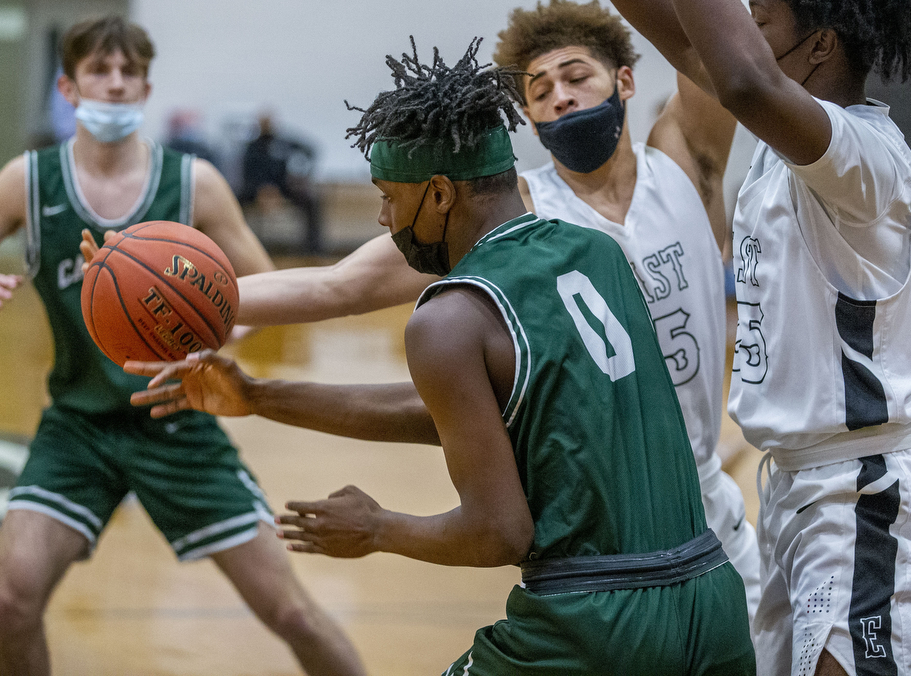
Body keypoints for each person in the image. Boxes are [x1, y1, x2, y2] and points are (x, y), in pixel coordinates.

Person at [456, 0, 911, 674]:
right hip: (797, 485)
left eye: (759, 23)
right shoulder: (784, 141)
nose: (736, 32)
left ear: (819, 46)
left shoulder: (863, 156)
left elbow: (735, 75)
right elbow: (700, 34)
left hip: (871, 485)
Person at [127, 38, 756, 674]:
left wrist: (377, 528)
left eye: (388, 196)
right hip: (713, 599)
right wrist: (260, 396)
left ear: (438, 195)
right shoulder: (598, 254)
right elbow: (481, 414)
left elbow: (499, 533)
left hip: (593, 622)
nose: (381, 217)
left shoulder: (449, 319)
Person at [228, 0, 764, 622]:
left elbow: (720, 14)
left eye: (576, 76)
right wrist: (203, 295)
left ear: (627, 82)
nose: (560, 95)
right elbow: (338, 283)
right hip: (606, 543)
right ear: (527, 119)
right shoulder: (515, 215)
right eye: (539, 91)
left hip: (713, 523)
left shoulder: (684, 161)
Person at [0, 16, 365, 676]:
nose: (114, 84)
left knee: (292, 612)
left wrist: (210, 342)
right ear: (68, 85)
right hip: (77, 427)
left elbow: (262, 286)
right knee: (7, 598)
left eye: (127, 73)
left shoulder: (193, 183)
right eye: (99, 71)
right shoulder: (27, 179)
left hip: (179, 427)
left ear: (145, 87)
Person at [239, 110, 323, 254]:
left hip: (283, 187)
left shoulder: (283, 143)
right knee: (233, 201)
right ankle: (241, 246)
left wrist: (304, 175)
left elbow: (310, 150)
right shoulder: (251, 147)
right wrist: (261, 190)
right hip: (256, 189)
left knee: (311, 200)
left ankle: (312, 248)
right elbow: (247, 173)